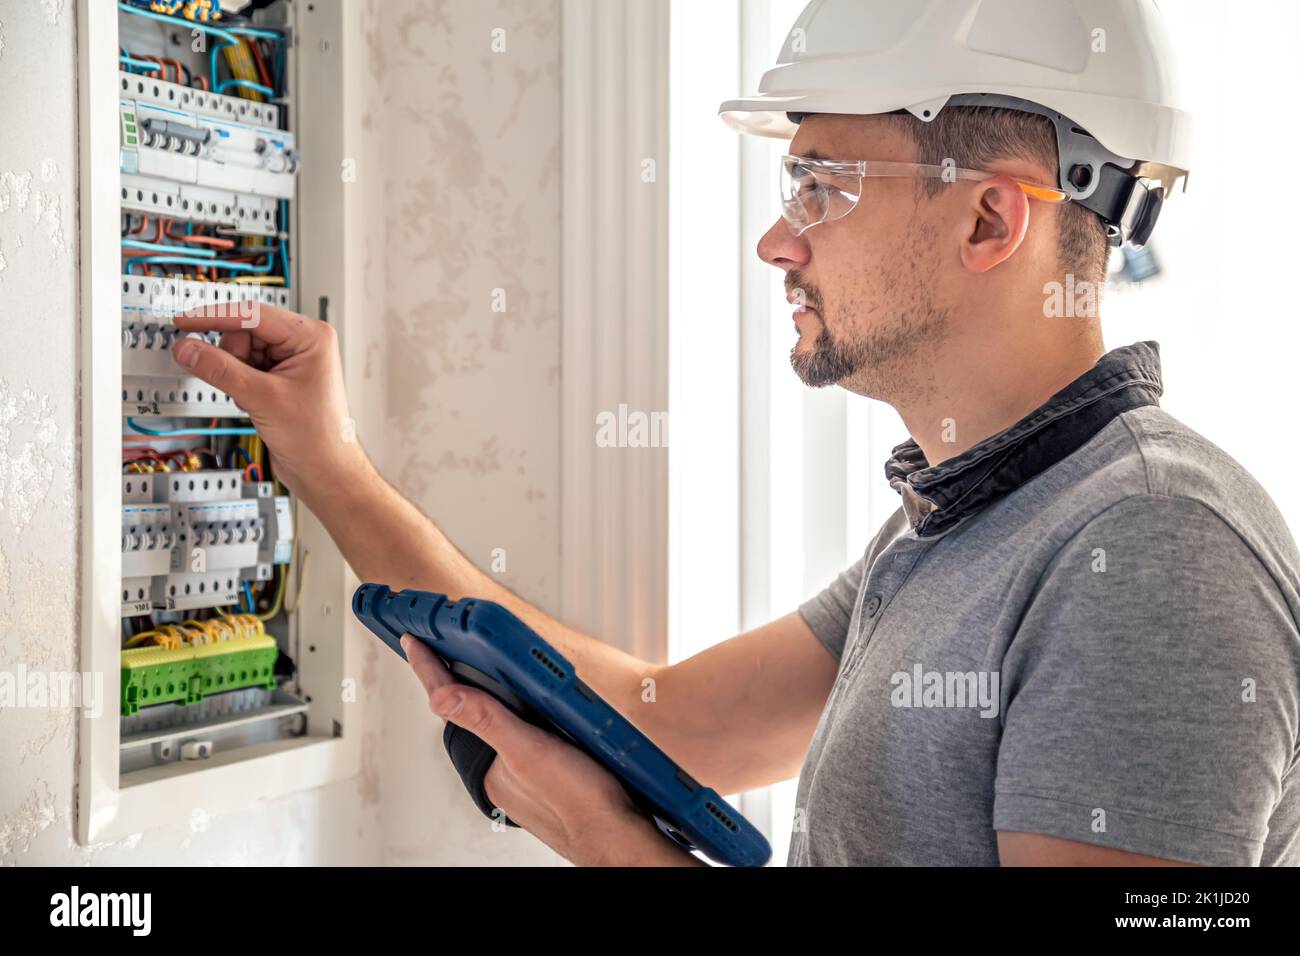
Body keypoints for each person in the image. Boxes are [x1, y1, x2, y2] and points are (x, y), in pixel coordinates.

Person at [170, 0, 1300, 865]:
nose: (775, 239)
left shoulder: (1151, 553)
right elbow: (664, 719)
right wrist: (325, 459)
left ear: (989, 214)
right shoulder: (962, 525)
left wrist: (612, 843)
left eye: (820, 183)